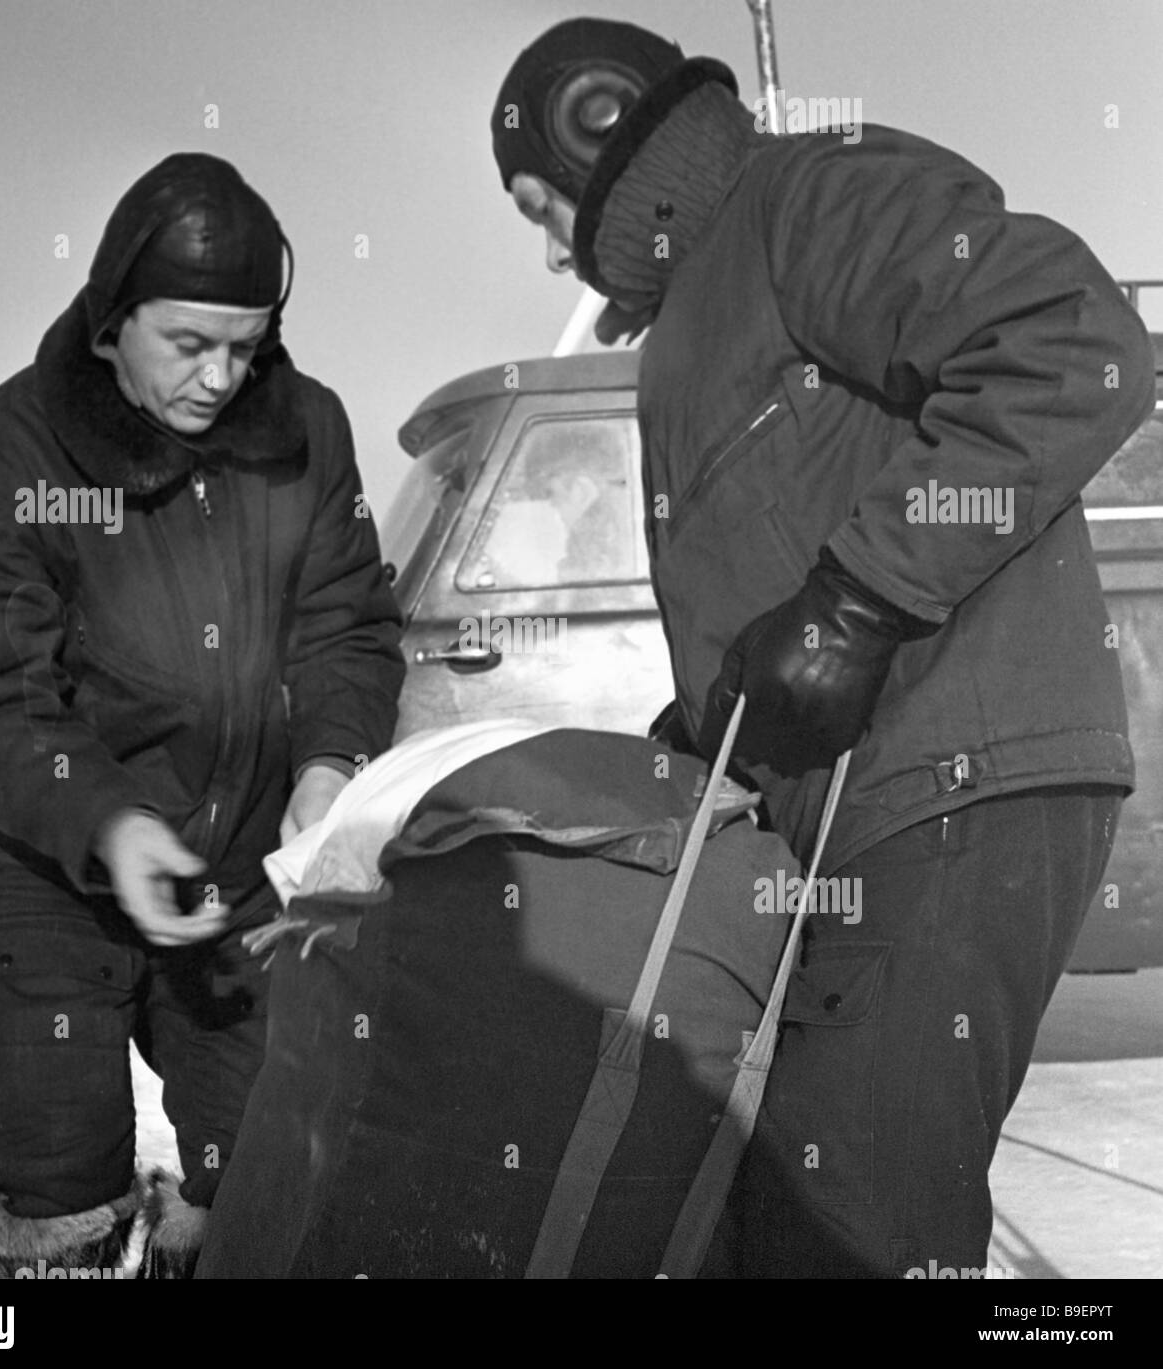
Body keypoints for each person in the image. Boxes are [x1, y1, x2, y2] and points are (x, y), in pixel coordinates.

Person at [489, 18, 1155, 1277]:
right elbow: (783, 545)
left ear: (598, 139)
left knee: (848, 1222)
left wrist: (858, 603)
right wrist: (712, 720)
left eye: (542, 207)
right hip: (862, 814)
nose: (545, 249)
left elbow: (1078, 345)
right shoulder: (702, 309)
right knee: (786, 1204)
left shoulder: (805, 198)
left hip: (960, 780)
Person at [0, 152, 404, 1278]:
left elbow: (346, 627)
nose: (223, 376)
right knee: (59, 1179)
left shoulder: (304, 433)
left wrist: (328, 765)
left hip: (234, 875)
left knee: (263, 1166)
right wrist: (115, 828)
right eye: (189, 343)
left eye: (247, 343)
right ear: (110, 318)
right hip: (50, 870)